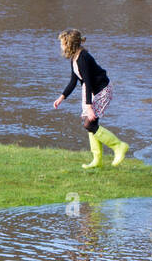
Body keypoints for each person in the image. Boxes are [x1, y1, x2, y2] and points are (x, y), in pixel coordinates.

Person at [52, 29, 128, 169]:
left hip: (102, 90)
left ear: (69, 44)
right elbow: (74, 81)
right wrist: (61, 97)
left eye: (62, 43)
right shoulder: (74, 58)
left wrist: (88, 107)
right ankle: (97, 160)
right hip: (92, 91)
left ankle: (119, 146)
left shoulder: (83, 58)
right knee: (90, 125)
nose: (61, 46)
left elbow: (87, 81)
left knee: (89, 123)